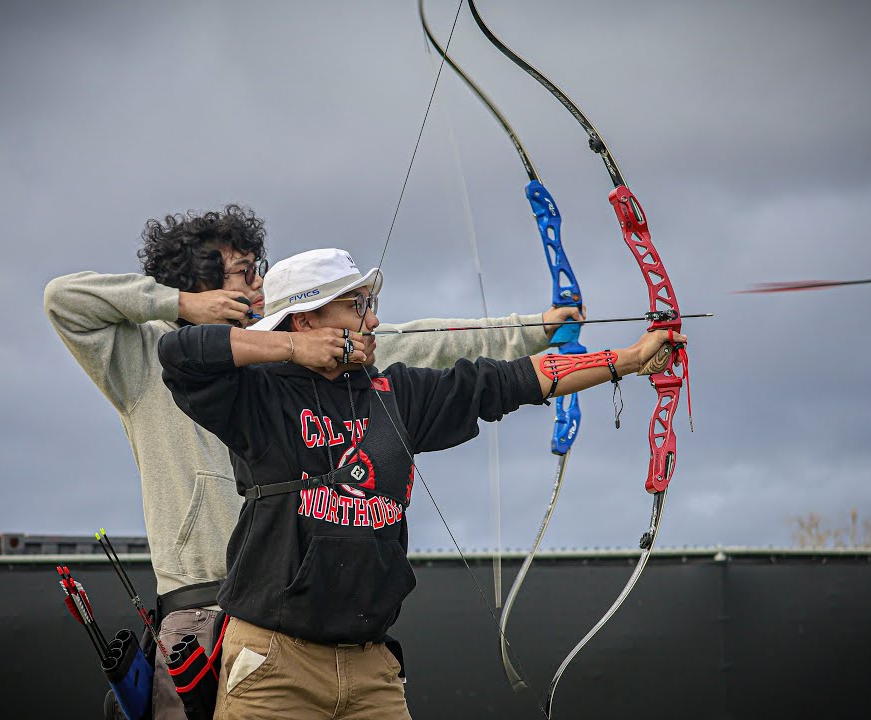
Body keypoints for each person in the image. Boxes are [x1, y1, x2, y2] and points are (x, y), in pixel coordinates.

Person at [43, 205, 582, 718]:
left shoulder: (308, 356)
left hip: (293, 611)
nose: (259, 284)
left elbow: (418, 344)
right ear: (196, 281)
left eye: (260, 272)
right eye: (244, 273)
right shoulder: (144, 356)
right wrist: (180, 306)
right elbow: (63, 299)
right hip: (201, 610)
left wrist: (534, 327)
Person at [157, 247, 684, 719]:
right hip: (274, 665)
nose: (373, 318)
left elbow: (513, 379)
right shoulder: (257, 397)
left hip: (372, 671)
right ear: (308, 319)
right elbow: (179, 355)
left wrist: (630, 360)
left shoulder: (398, 391)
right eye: (357, 305)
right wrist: (294, 352)